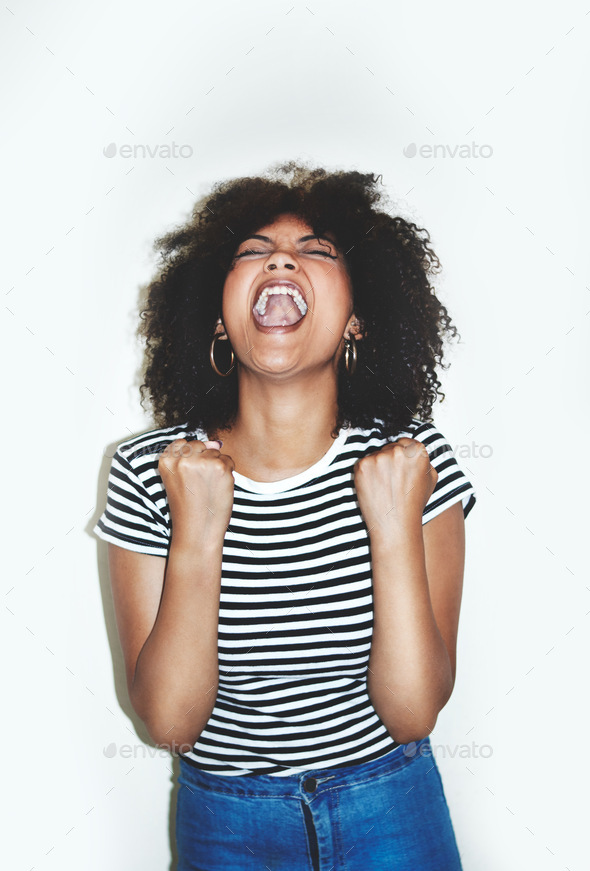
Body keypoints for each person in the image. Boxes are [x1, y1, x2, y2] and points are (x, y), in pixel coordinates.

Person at [93, 160, 477, 870]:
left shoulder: (412, 461)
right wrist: (199, 536)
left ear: (359, 318)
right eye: (253, 251)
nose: (280, 257)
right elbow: (172, 721)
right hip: (226, 821)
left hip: (391, 804)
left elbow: (414, 711)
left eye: (316, 250)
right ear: (216, 314)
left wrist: (392, 527)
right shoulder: (151, 472)